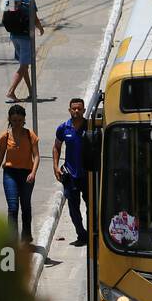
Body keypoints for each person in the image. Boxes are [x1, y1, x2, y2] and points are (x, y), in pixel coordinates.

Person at [0, 104, 40, 244]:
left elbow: (36, 156)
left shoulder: (30, 136)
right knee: (12, 207)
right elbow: (0, 158)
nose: (17, 123)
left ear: (24, 119)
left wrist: (33, 173)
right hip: (10, 174)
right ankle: (12, 241)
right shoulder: (5, 137)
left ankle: (26, 236)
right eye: (14, 120)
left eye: (19, 120)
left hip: (27, 174)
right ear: (9, 120)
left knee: (25, 205)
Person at [53, 97, 88, 246]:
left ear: (84, 110)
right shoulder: (63, 128)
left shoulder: (91, 126)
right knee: (74, 209)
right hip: (71, 176)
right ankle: (81, 234)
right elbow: (56, 147)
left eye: (79, 108)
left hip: (88, 175)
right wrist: (55, 166)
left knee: (93, 207)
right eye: (74, 108)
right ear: (69, 110)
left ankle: (94, 234)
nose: (76, 111)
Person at [6, 0, 44, 104]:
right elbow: (35, 18)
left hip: (14, 35)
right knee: (24, 65)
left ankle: (31, 92)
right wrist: (40, 28)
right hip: (26, 37)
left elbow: (9, 15)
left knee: (24, 65)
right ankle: (11, 91)